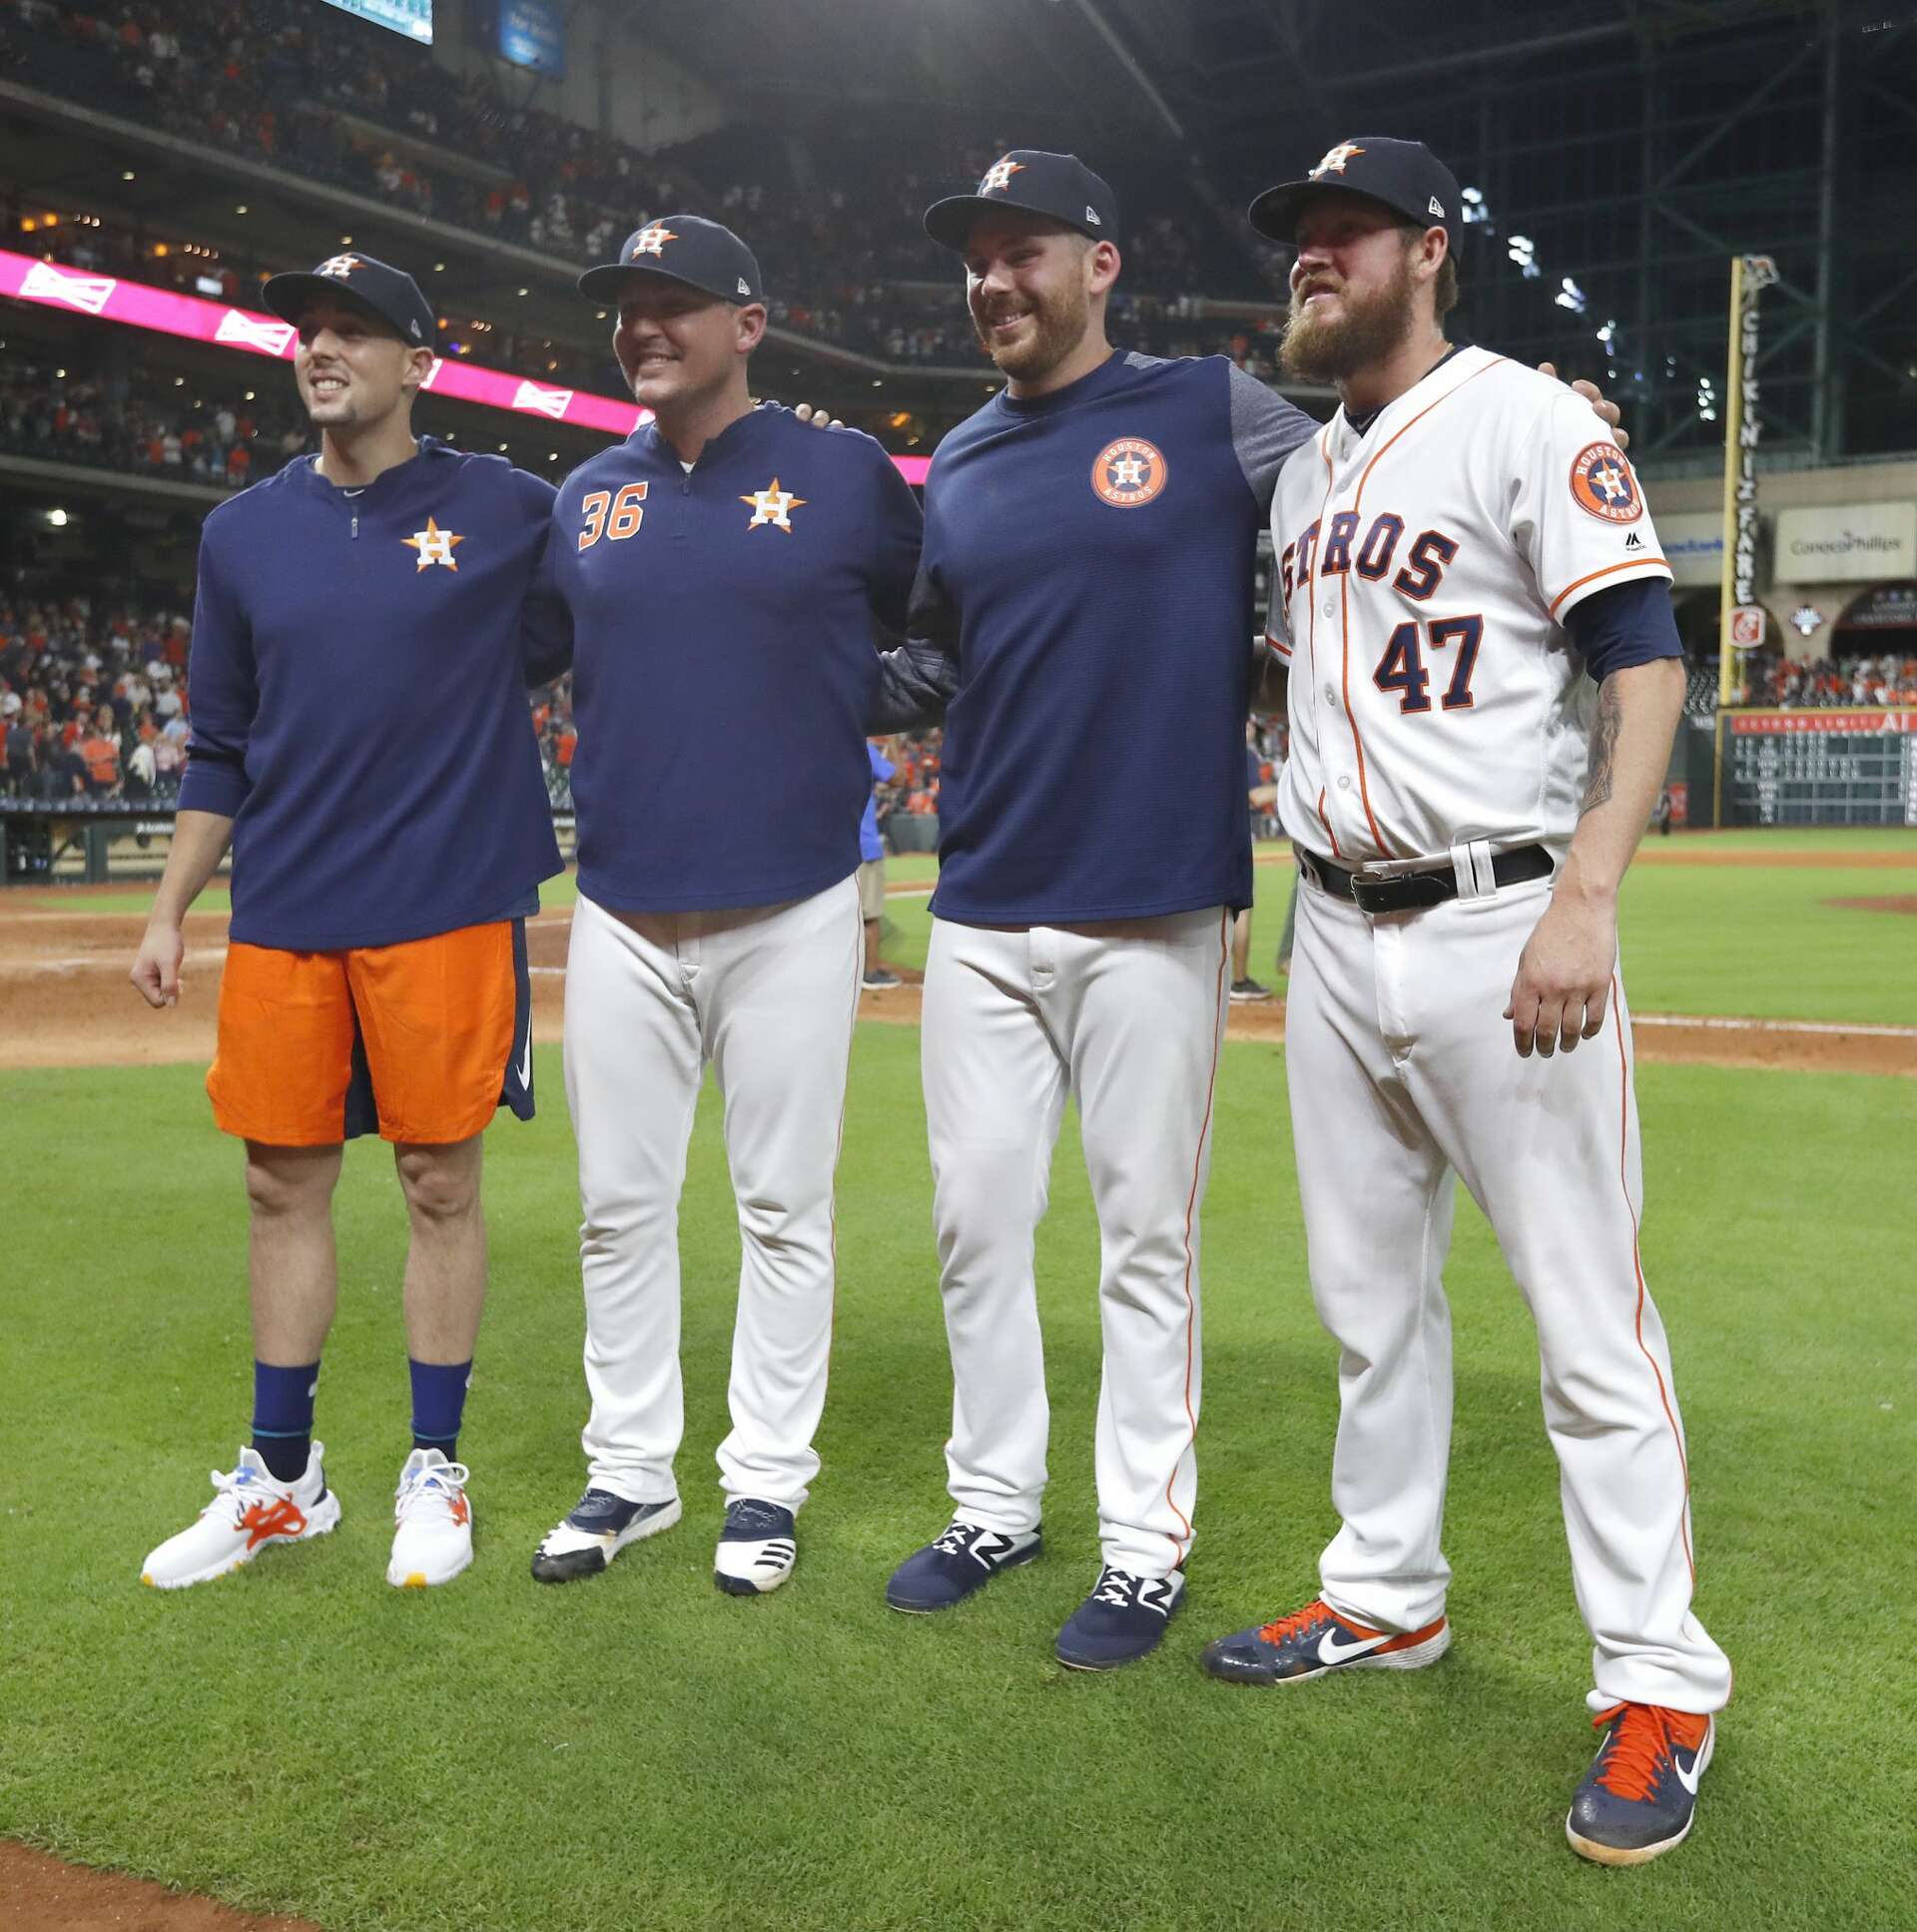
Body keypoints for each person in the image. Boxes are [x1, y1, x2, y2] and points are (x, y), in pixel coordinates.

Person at [868, 152, 1627, 1672]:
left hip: (1156, 895)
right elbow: (935, 667)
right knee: (973, 1223)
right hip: (982, 896)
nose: (994, 281)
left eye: (1025, 252)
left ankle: (1145, 1540)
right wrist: (776, 659)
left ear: (1100, 266)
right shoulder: (952, 456)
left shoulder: (1220, 413)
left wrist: (1549, 416)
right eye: (976, 259)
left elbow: (1386, 446)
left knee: (1147, 1235)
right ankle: (993, 1500)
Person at [1200, 138, 1729, 1868]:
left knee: (1586, 1323)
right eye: (1297, 236)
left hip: (1509, 916)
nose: (1311, 257)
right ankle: (1384, 1593)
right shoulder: (1301, 482)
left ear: (1431, 250)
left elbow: (1645, 659)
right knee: (1371, 1309)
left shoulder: (1522, 416)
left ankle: (1660, 1677)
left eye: (1342, 230)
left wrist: (1589, 894)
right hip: (1337, 931)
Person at [132, 252, 562, 1594]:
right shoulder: (242, 532)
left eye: (355, 331)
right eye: (307, 330)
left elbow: (594, 617)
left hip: (445, 896)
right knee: (279, 1183)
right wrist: (168, 907)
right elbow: (221, 744)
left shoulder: (510, 508)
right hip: (289, 907)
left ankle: (435, 1465)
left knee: (440, 1181)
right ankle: (282, 1478)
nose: (321, 349)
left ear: (419, 362)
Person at [528, 217, 923, 1596]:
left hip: (796, 898)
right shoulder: (584, 497)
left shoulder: (844, 471)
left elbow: (938, 620)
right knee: (615, 1208)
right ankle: (630, 1470)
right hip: (625, 905)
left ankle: (764, 1480)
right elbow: (508, 653)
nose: (643, 325)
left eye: (675, 303)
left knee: (780, 1206)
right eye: (629, 306)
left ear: (748, 323)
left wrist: (848, 699)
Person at [1232, 721, 1278, 1000]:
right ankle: (1238, 980)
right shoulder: (1243, 752)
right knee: (1242, 910)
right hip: (1234, 832)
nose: (1251, 728)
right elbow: (1256, 796)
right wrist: (1295, 778)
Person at [860, 738, 902, 989]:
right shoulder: (862, 745)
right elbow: (898, 778)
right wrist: (894, 740)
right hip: (864, 844)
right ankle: (870, 972)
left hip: (835, 846)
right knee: (870, 915)